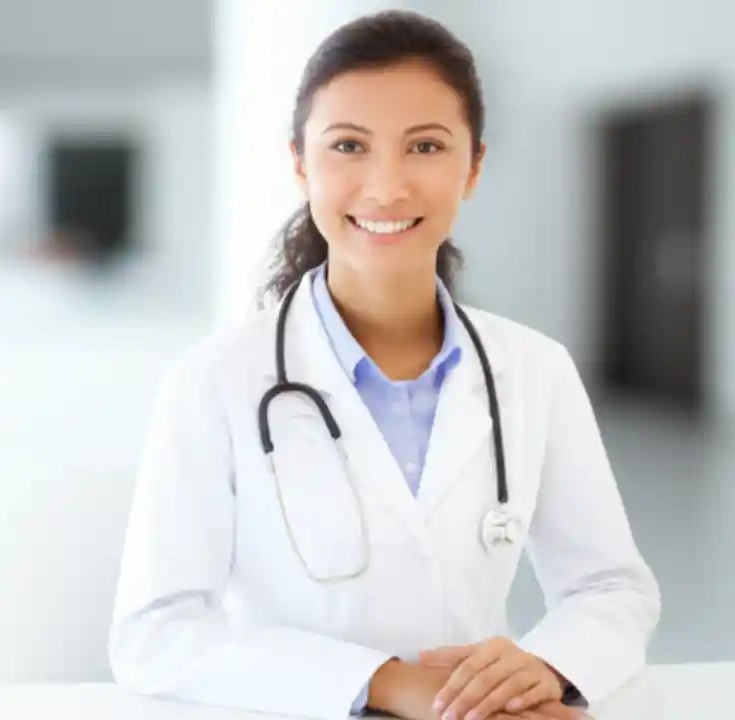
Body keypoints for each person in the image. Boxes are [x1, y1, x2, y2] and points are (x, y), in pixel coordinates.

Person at [108, 10, 659, 720]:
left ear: (474, 166)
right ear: (301, 164)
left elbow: (611, 588)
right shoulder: (214, 381)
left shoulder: (534, 370)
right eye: (349, 146)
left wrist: (541, 669)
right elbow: (157, 633)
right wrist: (391, 685)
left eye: (426, 146)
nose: (386, 186)